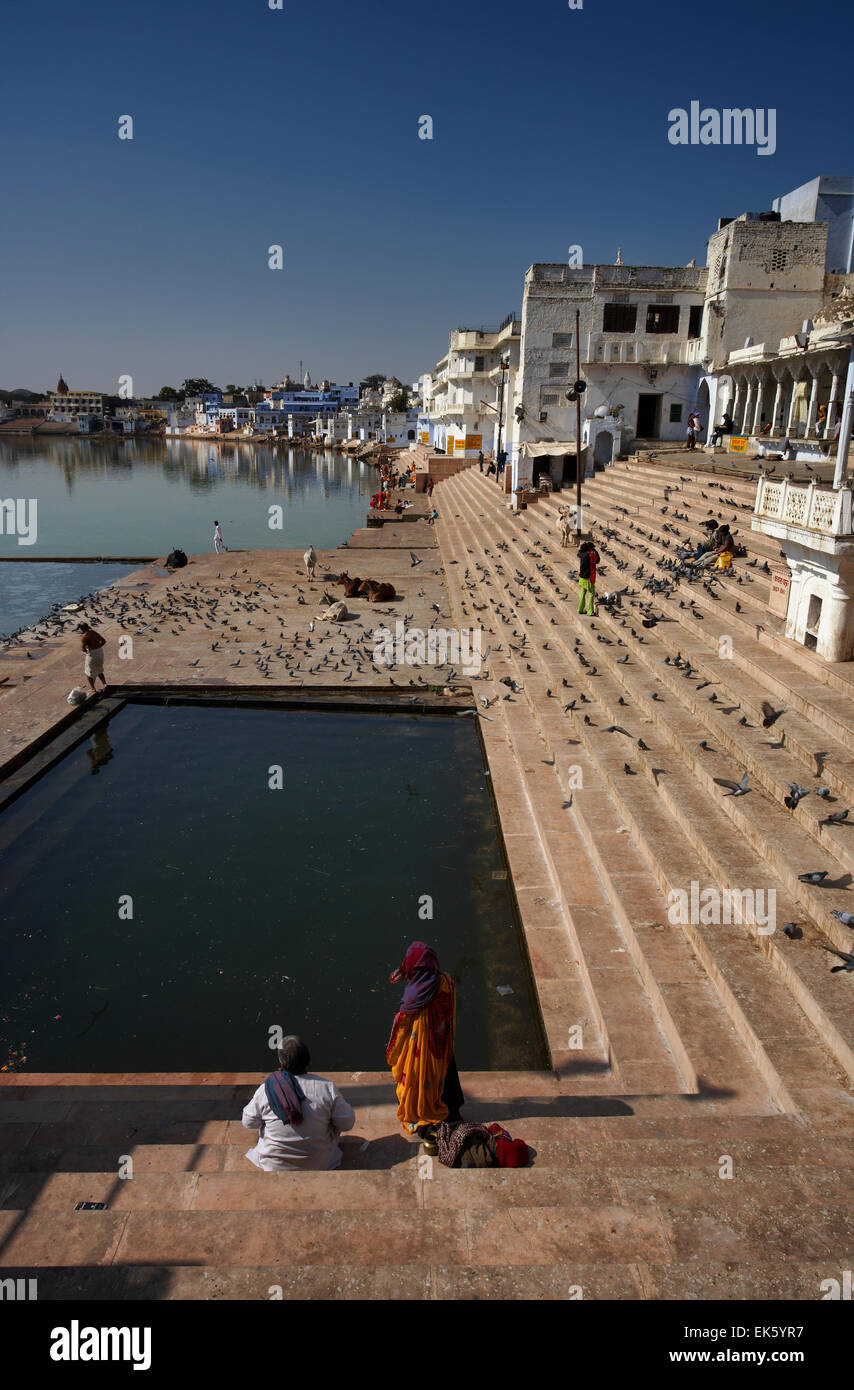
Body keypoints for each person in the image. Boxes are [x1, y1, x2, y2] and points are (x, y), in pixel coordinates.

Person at [386, 941, 464, 1154]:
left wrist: (394, 1054)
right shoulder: (446, 980)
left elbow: (401, 1028)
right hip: (443, 1044)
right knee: (446, 1079)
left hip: (422, 1049)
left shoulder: (415, 996)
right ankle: (452, 1110)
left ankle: (424, 1113)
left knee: (419, 1081)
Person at [242, 1035, 355, 1171]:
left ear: (282, 1064)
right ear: (308, 1061)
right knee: (333, 1118)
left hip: (273, 1165)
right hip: (319, 1164)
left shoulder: (266, 1090)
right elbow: (347, 1123)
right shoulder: (326, 1088)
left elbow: (248, 1123)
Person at [76, 622, 107, 693]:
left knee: (88, 672)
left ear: (81, 629)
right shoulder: (93, 632)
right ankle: (105, 684)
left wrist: (88, 650)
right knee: (99, 670)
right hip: (100, 652)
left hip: (92, 654)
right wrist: (98, 648)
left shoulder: (83, 637)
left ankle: (93, 688)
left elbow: (83, 649)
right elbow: (103, 641)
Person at [577, 540, 600, 616]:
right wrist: (594, 551)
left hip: (582, 577)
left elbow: (579, 552)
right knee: (591, 593)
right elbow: (598, 560)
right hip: (589, 578)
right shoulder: (590, 555)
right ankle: (590, 611)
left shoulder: (581, 554)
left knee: (583, 592)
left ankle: (580, 609)